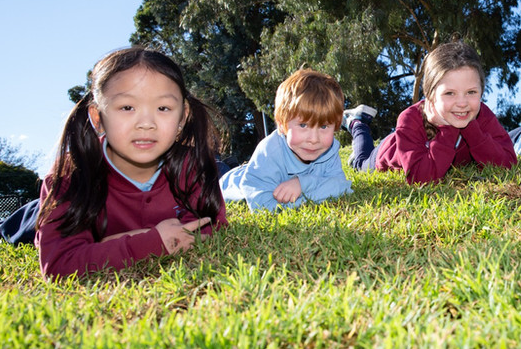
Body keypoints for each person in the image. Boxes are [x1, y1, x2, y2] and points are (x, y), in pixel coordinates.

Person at [29, 47, 228, 279]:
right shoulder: (68, 177)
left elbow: (210, 229)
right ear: (97, 117)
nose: (146, 123)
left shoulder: (194, 166)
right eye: (127, 108)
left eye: (163, 108)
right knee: (7, 230)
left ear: (182, 117)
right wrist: (150, 242)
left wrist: (119, 242)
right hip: (38, 213)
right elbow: (59, 265)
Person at [346, 41, 516, 184]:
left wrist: (471, 127)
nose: (463, 103)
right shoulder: (410, 118)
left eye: (471, 92)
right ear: (430, 96)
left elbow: (508, 162)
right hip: (385, 153)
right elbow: (420, 178)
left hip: (409, 138)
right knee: (360, 162)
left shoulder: (481, 115)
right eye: (450, 93)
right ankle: (357, 122)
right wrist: (446, 128)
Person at [220, 69, 352, 211]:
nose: (314, 139)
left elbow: (341, 186)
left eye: (324, 126)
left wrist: (302, 184)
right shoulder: (269, 152)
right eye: (303, 125)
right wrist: (310, 198)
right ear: (282, 125)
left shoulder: (329, 151)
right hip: (227, 182)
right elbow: (262, 207)